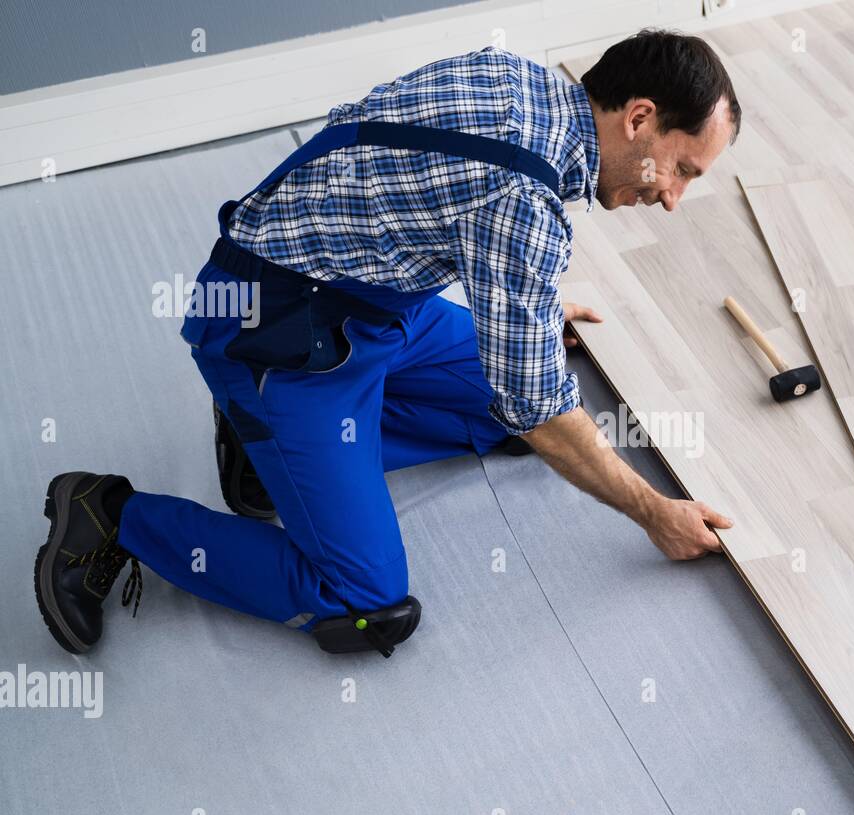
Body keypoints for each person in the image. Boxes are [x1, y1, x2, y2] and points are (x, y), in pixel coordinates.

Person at [35, 30, 742, 657]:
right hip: (277, 341)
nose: (675, 197)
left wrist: (519, 311)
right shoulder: (522, 202)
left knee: (522, 414)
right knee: (366, 603)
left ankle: (269, 458)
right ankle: (114, 516)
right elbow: (537, 403)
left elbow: (426, 186)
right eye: (683, 170)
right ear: (640, 117)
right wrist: (653, 512)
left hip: (365, 302)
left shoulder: (517, 77)